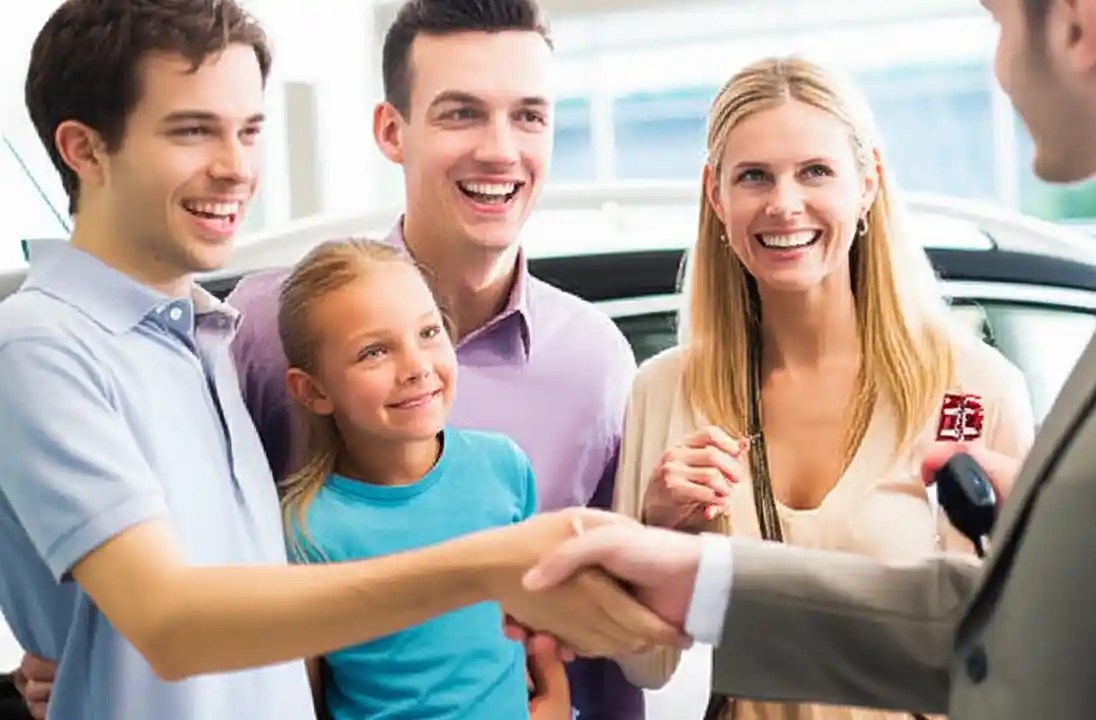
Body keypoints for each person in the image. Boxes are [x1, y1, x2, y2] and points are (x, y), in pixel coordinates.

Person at [521, 0, 1096, 717]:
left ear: (1078, 25)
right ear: (715, 195)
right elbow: (1015, 620)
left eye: (999, 21)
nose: (1001, 67)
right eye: (754, 175)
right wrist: (685, 560)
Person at [0, 2, 680, 719]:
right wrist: (484, 564)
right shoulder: (125, 340)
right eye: (193, 130)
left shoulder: (201, 337)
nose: (236, 169)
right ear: (83, 150)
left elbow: (220, 598)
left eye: (250, 131)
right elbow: (171, 623)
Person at [224, 1, 645, 717]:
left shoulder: (596, 362)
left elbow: (604, 642)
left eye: (530, 116)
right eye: (461, 114)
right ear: (393, 131)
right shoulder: (268, 329)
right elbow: (200, 566)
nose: (500, 150)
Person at [607, 56, 1034, 720]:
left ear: (868, 183)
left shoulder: (976, 389)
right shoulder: (665, 391)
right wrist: (657, 532)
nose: (784, 203)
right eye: (754, 176)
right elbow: (644, 665)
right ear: (716, 196)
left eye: (815, 172)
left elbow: (1019, 651)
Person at [275, 238, 570, 720]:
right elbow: (303, 700)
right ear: (311, 390)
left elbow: (535, 606)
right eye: (374, 352)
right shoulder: (306, 530)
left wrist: (556, 696)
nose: (415, 367)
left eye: (428, 332)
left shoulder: (502, 468)